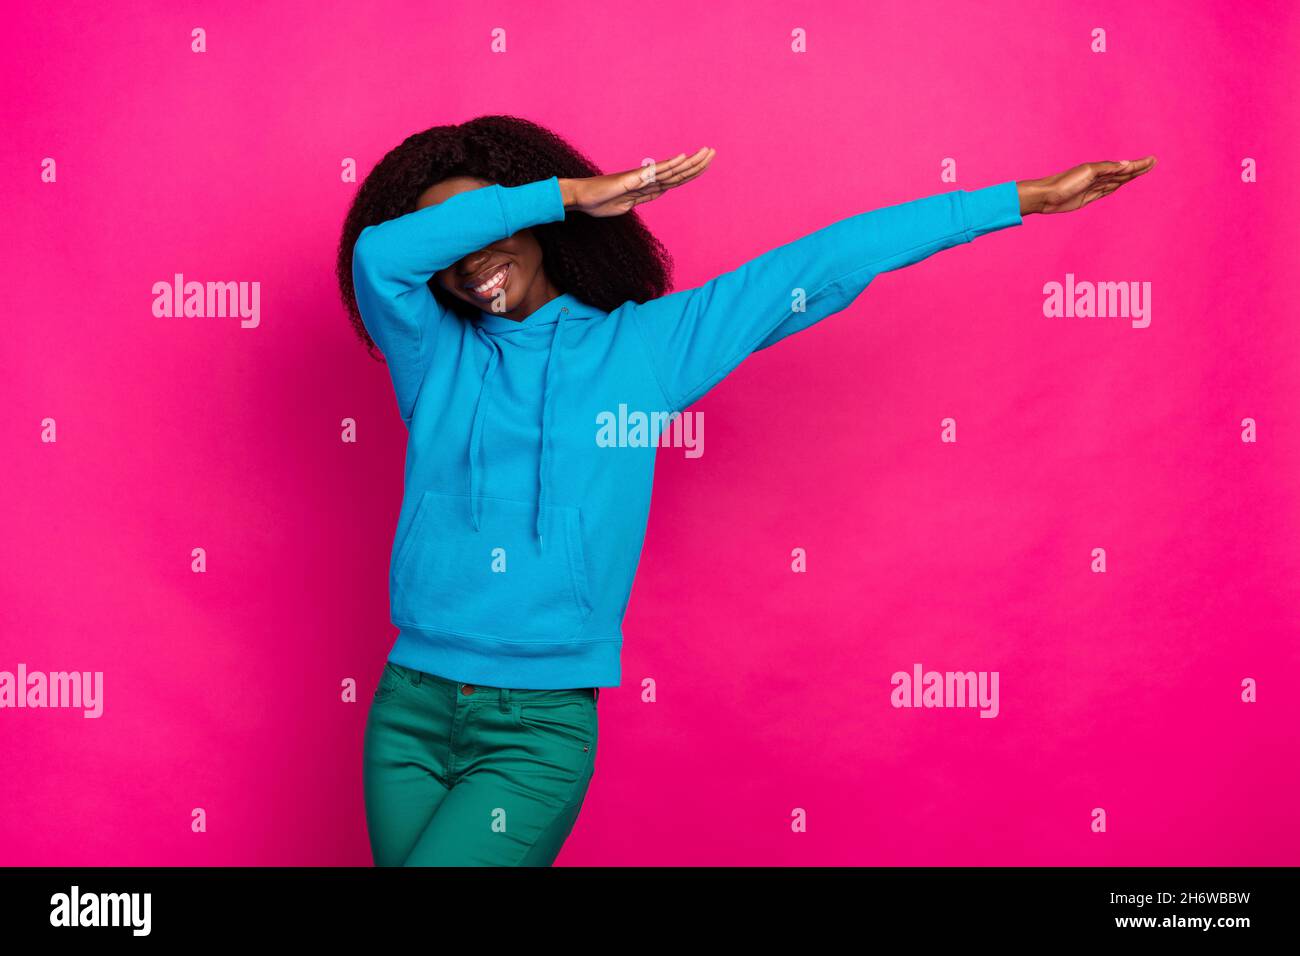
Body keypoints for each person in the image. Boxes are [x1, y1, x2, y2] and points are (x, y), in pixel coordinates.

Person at [335, 114, 1156, 866]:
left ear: (539, 227)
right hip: (409, 708)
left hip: (535, 727)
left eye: (496, 227)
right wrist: (570, 194)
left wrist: (1015, 201)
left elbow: (818, 265)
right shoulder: (431, 353)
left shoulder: (645, 351)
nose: (473, 264)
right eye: (449, 248)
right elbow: (379, 253)